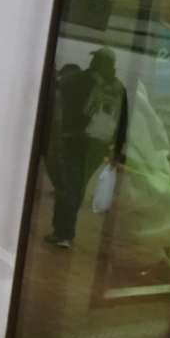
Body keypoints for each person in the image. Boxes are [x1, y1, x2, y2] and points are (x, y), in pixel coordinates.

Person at [44, 47, 128, 247]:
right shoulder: (119, 88)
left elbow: (59, 90)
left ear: (98, 62)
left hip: (75, 140)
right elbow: (123, 122)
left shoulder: (82, 79)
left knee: (67, 184)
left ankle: (63, 232)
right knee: (78, 184)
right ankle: (65, 230)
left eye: (96, 59)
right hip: (100, 145)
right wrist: (116, 151)